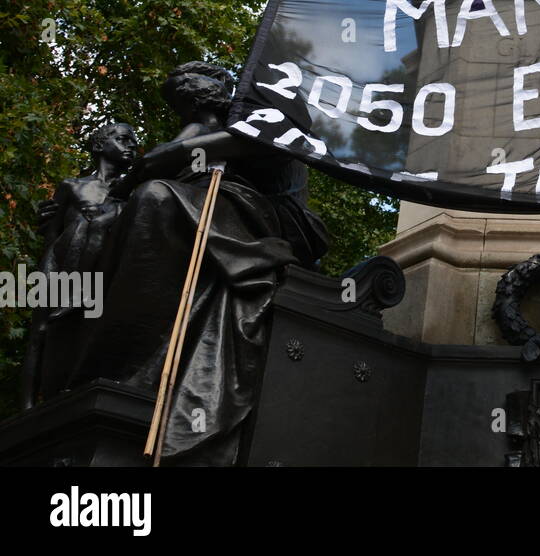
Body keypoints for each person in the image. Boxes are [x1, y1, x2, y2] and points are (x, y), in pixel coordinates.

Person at [75, 61, 331, 464]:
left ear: (221, 82)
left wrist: (177, 152)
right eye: (182, 98)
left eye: (190, 86)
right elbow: (149, 168)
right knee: (113, 221)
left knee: (156, 199)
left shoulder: (268, 103)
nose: (188, 97)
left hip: (270, 217)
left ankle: (132, 368)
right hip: (213, 202)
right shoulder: (203, 125)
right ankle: (108, 367)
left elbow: (262, 143)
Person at [20, 121, 138, 409]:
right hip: (60, 264)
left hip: (100, 273)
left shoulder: (134, 193)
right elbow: (52, 233)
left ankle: (71, 393)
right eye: (123, 140)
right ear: (99, 145)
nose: (132, 146)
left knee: (86, 331)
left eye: (134, 143)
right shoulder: (72, 186)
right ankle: (26, 409)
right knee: (40, 334)